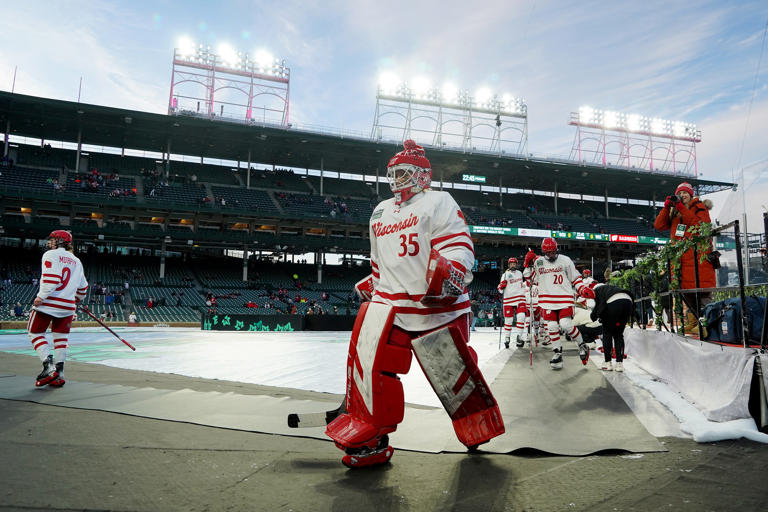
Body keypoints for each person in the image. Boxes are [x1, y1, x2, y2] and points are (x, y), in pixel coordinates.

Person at [326, 140, 505, 468]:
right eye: (393, 171)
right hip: (390, 306)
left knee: (452, 375)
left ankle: (476, 422)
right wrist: (376, 283)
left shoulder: (439, 201)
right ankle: (372, 436)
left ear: (423, 174)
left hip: (436, 308)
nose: (396, 177)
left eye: (404, 171)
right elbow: (379, 260)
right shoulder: (379, 210)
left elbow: (458, 247)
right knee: (371, 369)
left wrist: (453, 273)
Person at [28, 230, 88, 388]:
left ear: (60, 241)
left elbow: (52, 279)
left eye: (53, 240)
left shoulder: (50, 255)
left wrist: (41, 296)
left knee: (35, 332)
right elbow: (83, 288)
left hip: (48, 303)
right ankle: (59, 374)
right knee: (61, 339)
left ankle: (48, 367)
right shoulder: (77, 261)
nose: (50, 243)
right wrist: (75, 299)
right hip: (68, 306)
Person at [653, 182, 716, 333]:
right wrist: (667, 207)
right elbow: (659, 225)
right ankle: (695, 322)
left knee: (702, 292)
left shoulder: (700, 206)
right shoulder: (674, 212)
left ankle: (708, 324)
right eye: (680, 193)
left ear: (691, 194)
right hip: (680, 259)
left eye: (685, 193)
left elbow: (700, 226)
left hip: (697, 257)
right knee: (686, 292)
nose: (682, 195)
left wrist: (681, 208)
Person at [530, 238, 595, 370]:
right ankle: (557, 354)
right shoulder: (538, 262)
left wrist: (582, 289)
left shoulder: (565, 260)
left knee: (566, 324)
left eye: (553, 252)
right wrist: (527, 265)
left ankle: (582, 345)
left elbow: (575, 278)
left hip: (565, 298)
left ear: (556, 249)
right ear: (543, 252)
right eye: (548, 253)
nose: (551, 255)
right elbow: (533, 281)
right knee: (552, 327)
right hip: (547, 301)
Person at [590, 283, 635, 372]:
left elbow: (599, 306)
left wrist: (593, 316)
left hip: (613, 303)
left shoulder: (596, 291)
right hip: (628, 302)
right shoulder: (612, 288)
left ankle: (608, 363)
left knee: (607, 333)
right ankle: (619, 364)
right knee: (618, 335)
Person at [497, 257, 526, 348]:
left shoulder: (520, 273)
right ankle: (507, 338)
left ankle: (519, 337)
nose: (513, 265)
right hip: (508, 299)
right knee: (508, 320)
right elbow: (499, 289)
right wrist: (501, 286)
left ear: (516, 265)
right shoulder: (505, 275)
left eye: (514, 263)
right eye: (511, 264)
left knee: (521, 316)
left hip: (520, 298)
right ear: (509, 265)